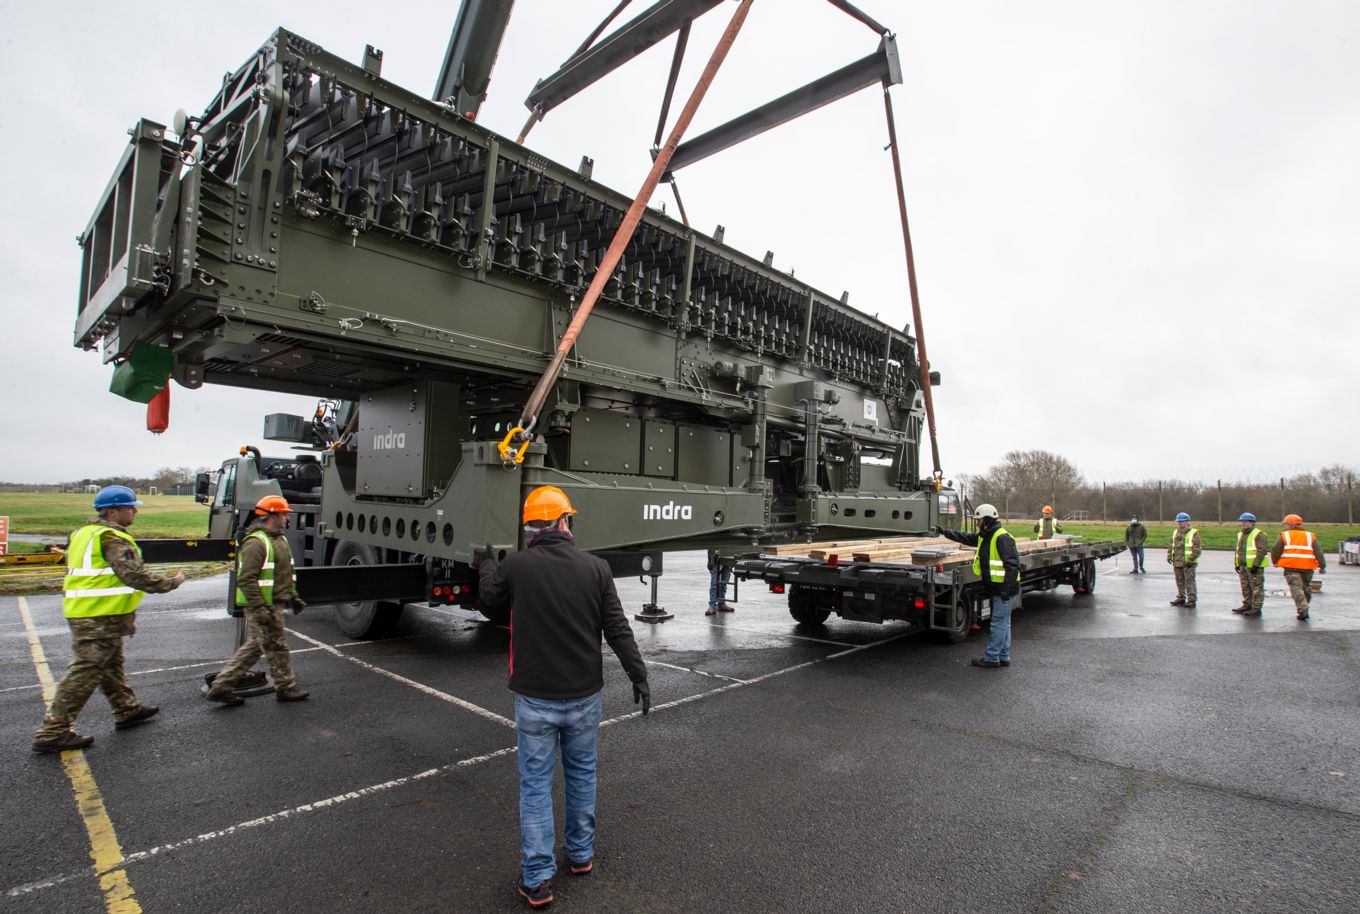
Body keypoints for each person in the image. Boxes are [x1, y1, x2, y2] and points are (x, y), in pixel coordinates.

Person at [478, 485, 651, 908]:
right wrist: (639, 675)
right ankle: (580, 855)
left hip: (534, 698)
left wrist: (486, 564)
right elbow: (617, 629)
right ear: (564, 521)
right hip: (583, 696)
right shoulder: (596, 568)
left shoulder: (517, 567)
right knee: (582, 775)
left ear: (531, 528)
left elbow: (489, 600)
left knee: (536, 786)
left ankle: (538, 879)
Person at [32, 486, 186, 753]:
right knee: (86, 670)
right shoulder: (112, 538)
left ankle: (126, 709)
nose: (135, 511)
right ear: (113, 512)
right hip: (99, 615)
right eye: (130, 507)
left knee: (111, 664)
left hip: (91, 612)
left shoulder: (83, 533)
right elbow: (134, 575)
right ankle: (53, 731)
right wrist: (171, 582)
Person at [206, 495, 309, 705]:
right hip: (262, 606)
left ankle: (221, 687)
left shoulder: (279, 539)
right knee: (276, 647)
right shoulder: (256, 543)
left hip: (273, 604)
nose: (287, 518)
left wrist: (293, 597)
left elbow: (284, 574)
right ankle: (285, 687)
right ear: (272, 515)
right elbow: (246, 579)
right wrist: (260, 608)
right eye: (283, 514)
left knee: (258, 646)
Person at [936, 503, 1020, 669]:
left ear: (987, 520)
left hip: (1003, 589)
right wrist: (944, 531)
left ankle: (992, 657)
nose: (976, 523)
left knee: (998, 623)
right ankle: (1003, 656)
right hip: (998, 588)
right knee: (1004, 623)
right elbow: (964, 537)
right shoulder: (985, 536)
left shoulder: (1001, 537)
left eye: (978, 520)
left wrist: (1006, 591)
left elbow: (1012, 565)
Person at [1270, 513, 1326, 621]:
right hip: (1308, 567)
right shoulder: (1310, 536)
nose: (1285, 526)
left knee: (1296, 588)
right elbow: (1318, 551)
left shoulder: (1284, 535)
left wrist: (1275, 562)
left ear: (1291, 525)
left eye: (1286, 524)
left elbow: (1275, 550)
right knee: (1306, 587)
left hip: (1291, 566)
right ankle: (1305, 606)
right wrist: (1322, 566)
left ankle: (1302, 608)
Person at [1232, 513, 1269, 616]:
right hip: (1243, 566)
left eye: (1245, 522)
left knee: (1256, 588)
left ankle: (1256, 608)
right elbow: (1238, 550)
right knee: (1245, 587)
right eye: (1242, 522)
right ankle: (1247, 604)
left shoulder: (1259, 534)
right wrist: (1237, 564)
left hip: (1254, 567)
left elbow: (1261, 551)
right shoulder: (1240, 534)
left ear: (1252, 523)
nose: (1243, 524)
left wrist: (1256, 565)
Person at [1167, 512, 1202, 608]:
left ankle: (1192, 600)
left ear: (1187, 521)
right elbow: (1171, 545)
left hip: (1188, 563)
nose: (1179, 523)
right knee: (1179, 581)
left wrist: (1190, 560)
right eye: (1178, 521)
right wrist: (1169, 555)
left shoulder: (1194, 533)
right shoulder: (1175, 532)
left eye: (1181, 521)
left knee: (1190, 582)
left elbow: (1197, 549)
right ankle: (1181, 597)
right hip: (1177, 562)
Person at [706, 548, 735, 616]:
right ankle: (712, 606)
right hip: (716, 558)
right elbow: (710, 547)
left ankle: (721, 604)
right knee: (714, 584)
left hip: (729, 558)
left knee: (724, 583)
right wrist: (710, 560)